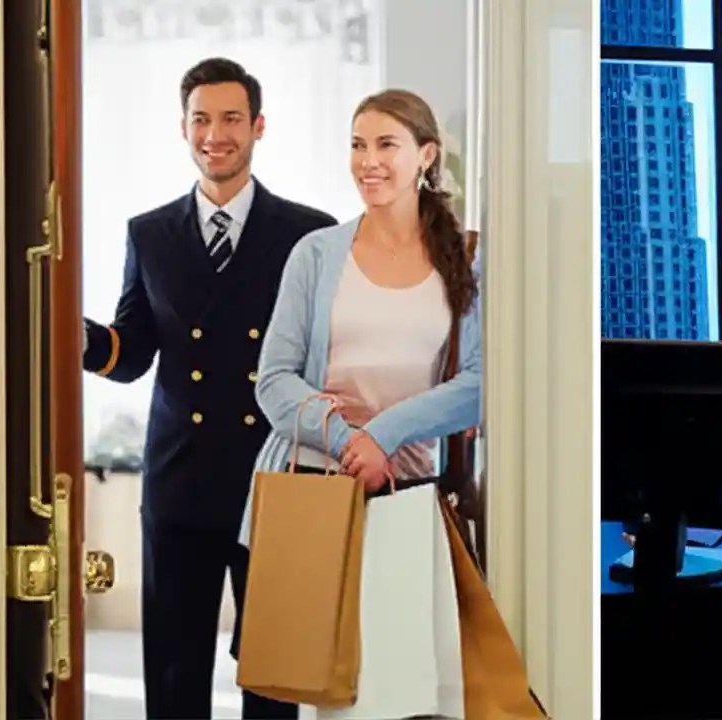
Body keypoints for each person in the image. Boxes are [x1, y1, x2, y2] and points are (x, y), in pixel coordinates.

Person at [81, 57, 336, 719]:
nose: (213, 134)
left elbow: (326, 353)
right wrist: (69, 334)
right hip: (179, 480)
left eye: (229, 119)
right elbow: (132, 351)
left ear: (257, 126)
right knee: (174, 670)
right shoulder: (149, 232)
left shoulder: (309, 232)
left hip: (274, 479)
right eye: (201, 119)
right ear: (183, 128)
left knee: (273, 676)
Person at [240, 88, 481, 719]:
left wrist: (387, 434)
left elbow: (481, 383)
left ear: (426, 156)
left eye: (386, 145)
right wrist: (350, 441)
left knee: (407, 694)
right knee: (332, 696)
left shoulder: (466, 263)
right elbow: (274, 380)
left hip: (411, 495)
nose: (367, 161)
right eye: (356, 144)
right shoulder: (316, 255)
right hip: (320, 490)